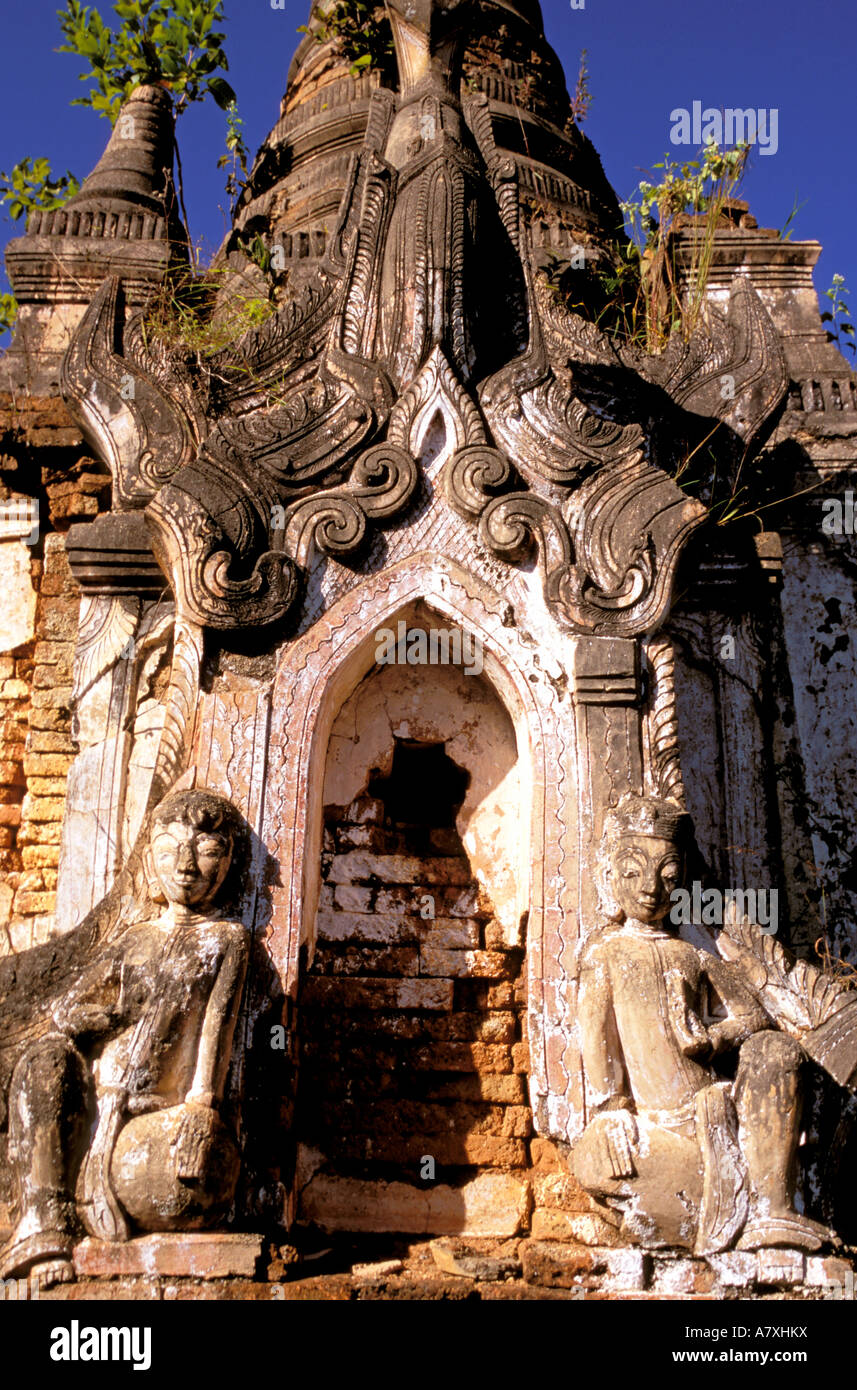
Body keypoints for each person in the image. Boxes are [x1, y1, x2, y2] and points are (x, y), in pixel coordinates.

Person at [0, 788, 249, 1286]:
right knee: (46, 1060)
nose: (185, 865)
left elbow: (217, 1032)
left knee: (180, 1191)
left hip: (154, 1122)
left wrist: (201, 1108)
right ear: (151, 859)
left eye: (206, 851)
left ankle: (106, 1196)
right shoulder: (135, 938)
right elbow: (67, 1010)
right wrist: (112, 1015)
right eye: (169, 850)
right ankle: (45, 1229)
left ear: (228, 863)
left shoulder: (227, 941)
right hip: (99, 1110)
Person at [570, 793, 832, 1254]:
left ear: (683, 879)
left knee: (777, 1051)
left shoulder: (692, 955)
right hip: (658, 1126)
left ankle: (770, 1207)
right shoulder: (604, 955)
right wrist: (610, 1108)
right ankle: (727, 1206)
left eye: (668, 875)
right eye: (633, 872)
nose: (651, 886)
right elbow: (596, 1037)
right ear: (609, 876)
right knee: (595, 1161)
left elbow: (754, 1014)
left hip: (714, 1112)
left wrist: (713, 1040)